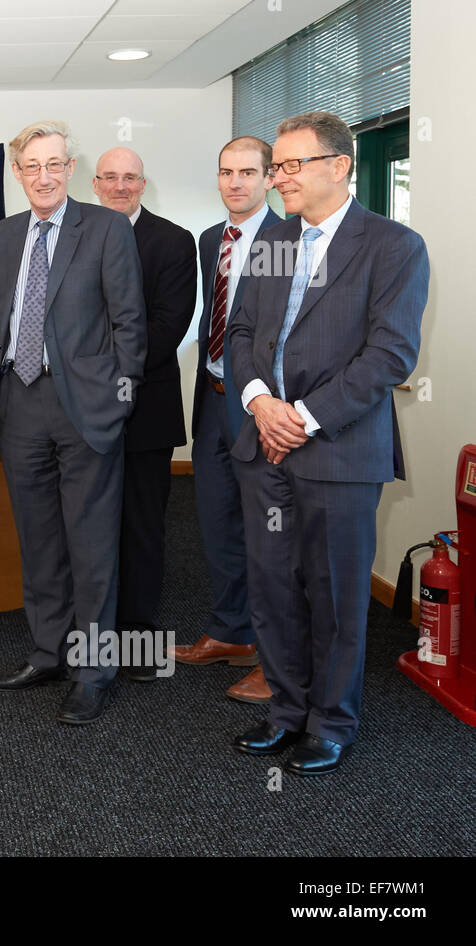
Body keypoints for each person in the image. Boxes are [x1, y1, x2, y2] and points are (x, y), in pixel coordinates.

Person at [230, 111, 428, 775]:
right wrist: (261, 403)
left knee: (337, 594)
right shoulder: (271, 241)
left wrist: (303, 417)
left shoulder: (393, 246)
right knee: (274, 587)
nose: (278, 178)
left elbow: (389, 356)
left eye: (290, 165)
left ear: (339, 166)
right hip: (265, 447)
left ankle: (331, 723)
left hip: (339, 450)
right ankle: (287, 711)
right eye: (277, 166)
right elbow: (239, 337)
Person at [0, 121, 146, 724]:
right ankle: (49, 650)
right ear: (17, 172)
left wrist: (117, 400)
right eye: (31, 166)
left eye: (54, 164)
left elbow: (131, 323)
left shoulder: (104, 228)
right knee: (40, 540)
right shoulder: (0, 238)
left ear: (70, 169)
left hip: (86, 409)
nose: (43, 176)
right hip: (19, 402)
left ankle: (93, 669)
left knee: (92, 544)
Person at [177, 137, 283, 703]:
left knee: (268, 533)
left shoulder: (287, 241)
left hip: (261, 405)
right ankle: (230, 631)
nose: (235, 182)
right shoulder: (209, 239)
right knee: (215, 520)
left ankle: (276, 660)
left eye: (247, 172)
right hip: (213, 394)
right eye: (226, 172)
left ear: (269, 178)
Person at [92, 147, 196, 679]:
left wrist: (103, 376)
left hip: (144, 409)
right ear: (94, 183)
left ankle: (134, 635)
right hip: (79, 412)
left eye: (129, 178)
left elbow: (168, 324)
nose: (120, 186)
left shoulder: (173, 242)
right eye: (110, 177)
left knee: (141, 525)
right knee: (89, 524)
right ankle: (90, 628)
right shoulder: (74, 235)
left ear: (143, 184)